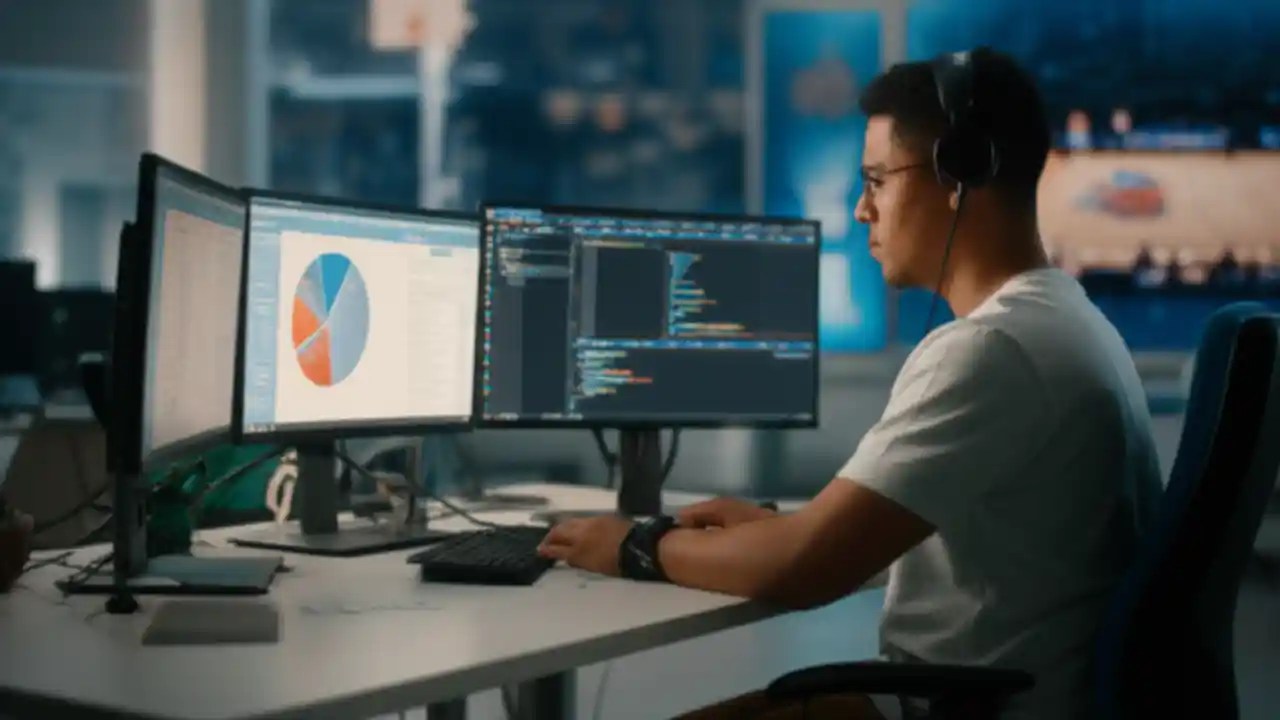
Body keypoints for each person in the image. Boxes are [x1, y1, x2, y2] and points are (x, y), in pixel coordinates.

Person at [538, 48, 1160, 720]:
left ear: (960, 173)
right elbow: (935, 539)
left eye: (877, 180)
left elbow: (802, 569)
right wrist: (789, 529)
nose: (862, 209)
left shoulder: (993, 349)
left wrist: (633, 545)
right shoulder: (1067, 320)